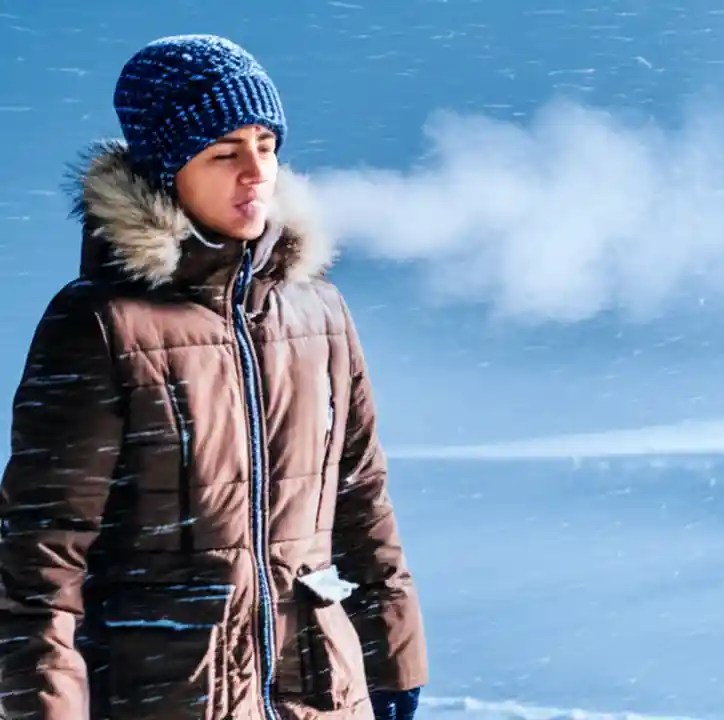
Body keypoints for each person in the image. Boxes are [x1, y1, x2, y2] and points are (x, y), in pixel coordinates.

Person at [0, 35, 427, 720]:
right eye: (224, 152)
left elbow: (361, 498)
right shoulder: (103, 325)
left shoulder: (320, 314)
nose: (256, 171)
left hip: (319, 690)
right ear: (167, 172)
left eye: (265, 143)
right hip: (163, 694)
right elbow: (39, 565)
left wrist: (394, 656)